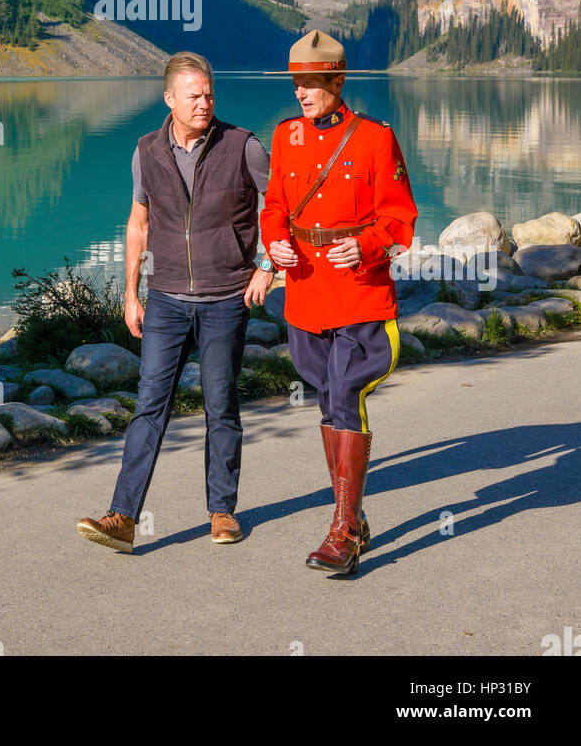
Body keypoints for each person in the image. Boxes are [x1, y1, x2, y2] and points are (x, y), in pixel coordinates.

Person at [76, 51, 272, 553]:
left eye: (209, 94)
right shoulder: (146, 151)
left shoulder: (243, 146)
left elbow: (282, 207)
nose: (205, 102)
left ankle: (222, 511)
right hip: (164, 300)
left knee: (221, 405)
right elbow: (138, 224)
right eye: (194, 95)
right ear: (169, 99)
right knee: (148, 407)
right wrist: (130, 292)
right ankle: (123, 517)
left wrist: (268, 268)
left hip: (225, 297)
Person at [260, 29, 417, 575]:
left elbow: (400, 221)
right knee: (327, 396)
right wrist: (274, 240)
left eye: (310, 83)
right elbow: (276, 203)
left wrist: (368, 245)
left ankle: (344, 530)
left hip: (359, 295)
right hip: (304, 293)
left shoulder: (375, 139)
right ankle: (353, 515)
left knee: (346, 390)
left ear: (337, 80)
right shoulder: (285, 137)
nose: (301, 92)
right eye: (296, 83)